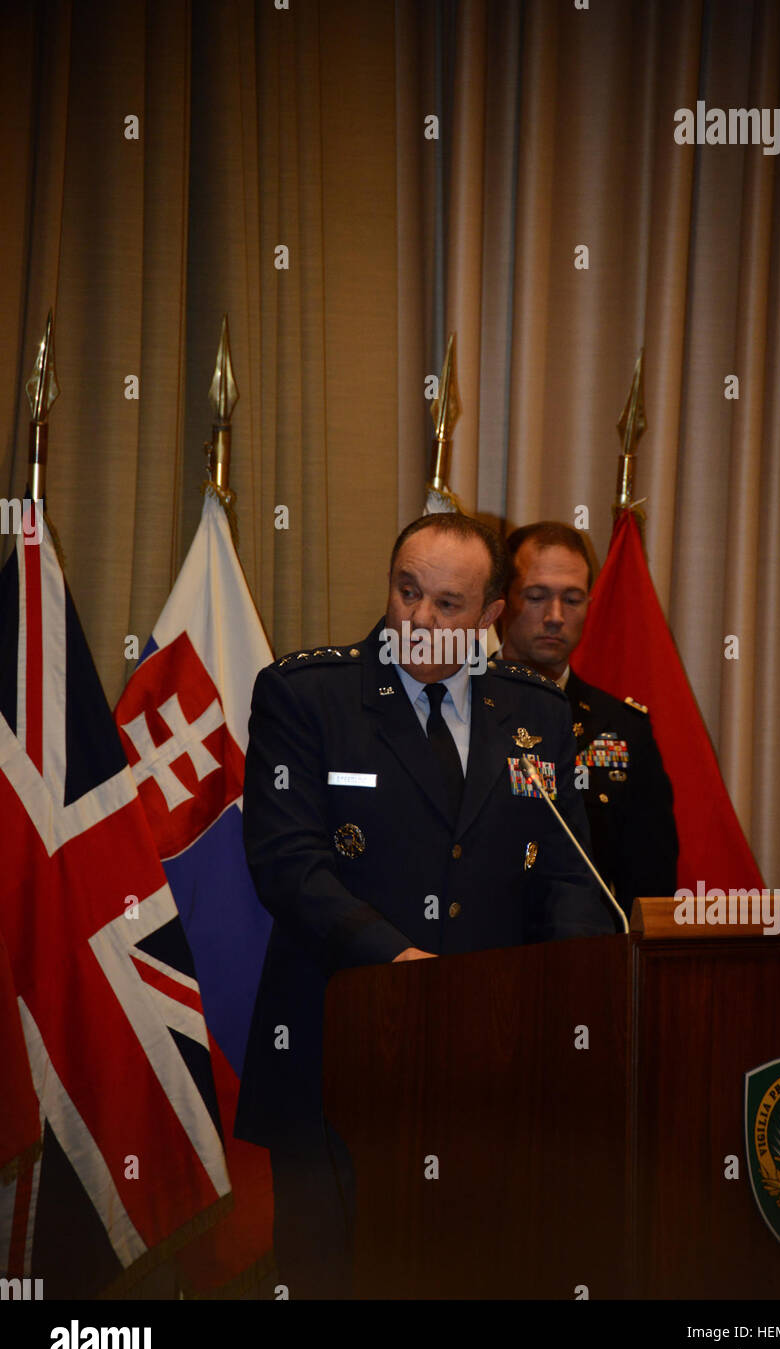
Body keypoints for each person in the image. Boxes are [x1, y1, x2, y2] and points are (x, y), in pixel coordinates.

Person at [235, 512, 613, 1298]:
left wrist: (563, 985)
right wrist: (401, 966)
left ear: (488, 618)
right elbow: (288, 867)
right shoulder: (307, 694)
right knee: (333, 1277)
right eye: (407, 591)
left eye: (447, 605)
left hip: (489, 1063)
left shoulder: (536, 715)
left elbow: (571, 875)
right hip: (334, 1049)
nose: (417, 619)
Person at [499, 521, 678, 922]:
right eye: (536, 596)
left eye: (573, 599)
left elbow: (650, 887)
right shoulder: (461, 708)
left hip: (590, 956)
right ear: (503, 600)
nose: (555, 616)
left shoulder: (623, 729)